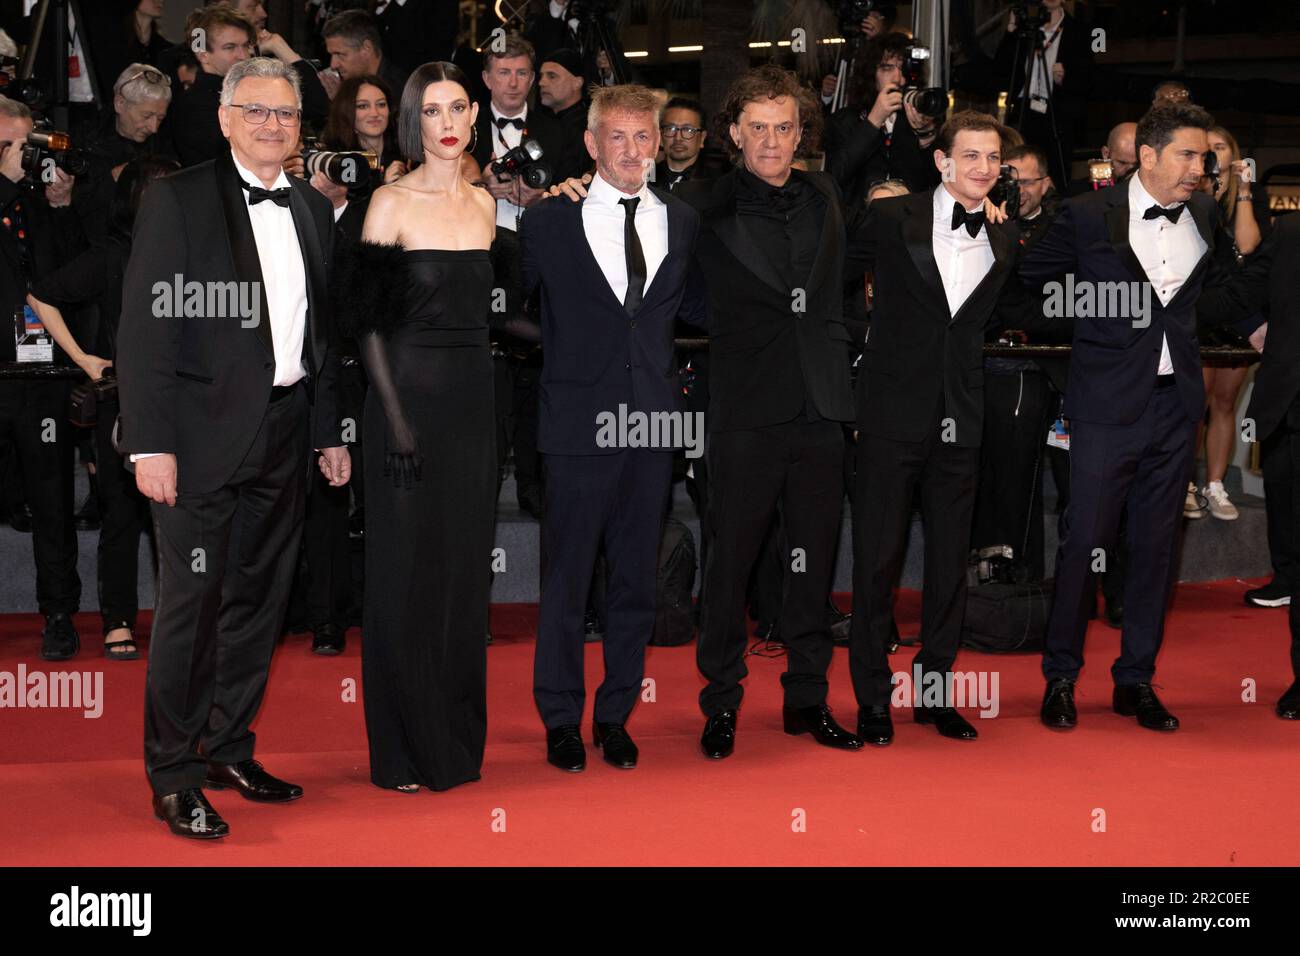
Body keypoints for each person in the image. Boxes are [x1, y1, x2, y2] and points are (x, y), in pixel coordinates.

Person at [117, 57, 350, 839]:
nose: (273, 126)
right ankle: (174, 773)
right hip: (195, 441)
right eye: (257, 112)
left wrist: (326, 433)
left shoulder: (313, 210)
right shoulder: (176, 200)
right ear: (223, 118)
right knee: (193, 609)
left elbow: (323, 338)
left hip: (284, 434)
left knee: (258, 604)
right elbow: (145, 334)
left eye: (286, 115)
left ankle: (227, 746)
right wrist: (149, 443)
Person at [1024, 103, 1265, 734]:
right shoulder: (1084, 214)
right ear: (1150, 155)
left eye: (1205, 158)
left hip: (1174, 405)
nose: (1200, 168)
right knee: (1085, 541)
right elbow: (1029, 285)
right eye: (1187, 155)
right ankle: (1062, 678)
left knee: (1157, 549)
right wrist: (1103, 315)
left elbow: (1208, 293)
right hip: (1105, 404)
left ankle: (1135, 680)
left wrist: (1257, 323)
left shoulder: (1208, 213)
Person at [849, 111, 1058, 744]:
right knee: (876, 562)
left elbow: (1022, 308)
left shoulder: (1003, 236)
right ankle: (872, 698)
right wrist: (859, 360)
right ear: (942, 162)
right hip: (888, 416)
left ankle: (935, 692)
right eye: (970, 157)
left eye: (993, 159)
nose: (983, 169)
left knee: (948, 565)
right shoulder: (893, 218)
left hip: (961, 421)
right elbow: (832, 283)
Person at [674, 65, 862, 759]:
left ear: (800, 133)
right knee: (731, 565)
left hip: (820, 409)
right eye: (758, 127)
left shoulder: (826, 195)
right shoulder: (702, 206)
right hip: (746, 409)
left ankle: (807, 702)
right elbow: (677, 293)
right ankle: (720, 703)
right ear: (733, 133)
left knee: (814, 563)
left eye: (784, 127)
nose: (772, 140)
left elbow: (846, 285)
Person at [520, 83, 709, 772]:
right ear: (593, 145)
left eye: (644, 137)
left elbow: (692, 312)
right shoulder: (547, 223)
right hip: (575, 424)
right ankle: (561, 717)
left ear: (659, 143)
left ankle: (615, 713)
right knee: (568, 580)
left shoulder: (683, 221)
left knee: (637, 580)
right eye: (618, 138)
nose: (632, 151)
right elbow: (513, 309)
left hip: (653, 428)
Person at [334, 61, 498, 792]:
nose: (447, 120)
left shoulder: (485, 207)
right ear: (414, 122)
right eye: (432, 110)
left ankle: (453, 739)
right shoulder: (387, 204)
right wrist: (395, 423)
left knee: (463, 578)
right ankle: (401, 748)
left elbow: (492, 317)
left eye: (458, 105)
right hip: (403, 412)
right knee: (403, 578)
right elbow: (365, 328)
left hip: (473, 413)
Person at [26, 156, 179, 662]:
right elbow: (42, 294)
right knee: (121, 514)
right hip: (124, 399)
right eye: (156, 190)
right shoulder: (114, 256)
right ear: (134, 199)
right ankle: (117, 620)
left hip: (187, 401)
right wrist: (84, 359)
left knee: (183, 516)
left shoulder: (197, 254)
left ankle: (183, 620)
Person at [0, 95, 84, 661]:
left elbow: (74, 276)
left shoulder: (42, 203)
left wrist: (60, 206)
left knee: (53, 500)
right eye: (16, 145)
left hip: (41, 373)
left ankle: (59, 612)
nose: (30, 156)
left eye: (31, 143)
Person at [1185, 125, 1268, 524]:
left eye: (1222, 148)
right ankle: (1185, 481)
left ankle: (1215, 484)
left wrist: (1245, 189)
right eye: (1208, 151)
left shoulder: (1247, 199)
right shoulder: (1191, 200)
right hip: (1202, 314)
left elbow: (1248, 244)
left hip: (1239, 309)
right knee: (1193, 403)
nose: (1215, 157)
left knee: (1224, 403)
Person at [822, 32, 944, 208]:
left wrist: (925, 138)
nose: (897, 78)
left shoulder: (921, 119)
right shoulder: (844, 121)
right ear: (871, 74)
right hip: (859, 224)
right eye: (887, 68)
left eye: (904, 69)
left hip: (908, 223)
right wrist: (873, 122)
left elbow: (935, 184)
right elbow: (833, 177)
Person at [993, 0, 1094, 191]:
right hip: (1025, 109)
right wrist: (1011, 29)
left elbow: (1090, 76)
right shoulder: (1026, 28)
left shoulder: (1080, 30)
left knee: (1055, 171)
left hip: (1058, 113)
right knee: (1020, 166)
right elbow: (1001, 69)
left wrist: (1066, 77)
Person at [72, 63, 175, 242]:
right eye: (146, 116)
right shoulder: (82, 141)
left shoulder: (163, 142)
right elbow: (68, 209)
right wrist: (112, 180)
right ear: (120, 103)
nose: (154, 127)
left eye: (160, 118)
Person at [164, 4, 255, 166]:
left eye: (246, 45)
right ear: (204, 55)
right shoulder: (195, 106)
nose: (243, 56)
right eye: (230, 47)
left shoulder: (243, 92)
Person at [322, 9, 409, 98]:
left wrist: (342, 100)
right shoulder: (354, 83)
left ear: (366, 48)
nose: (333, 65)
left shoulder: (399, 92)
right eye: (332, 55)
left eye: (340, 55)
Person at [654, 97, 710, 192]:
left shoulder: (719, 183)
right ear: (660, 136)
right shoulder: (644, 179)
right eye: (670, 128)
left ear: (702, 138)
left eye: (688, 130)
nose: (678, 138)